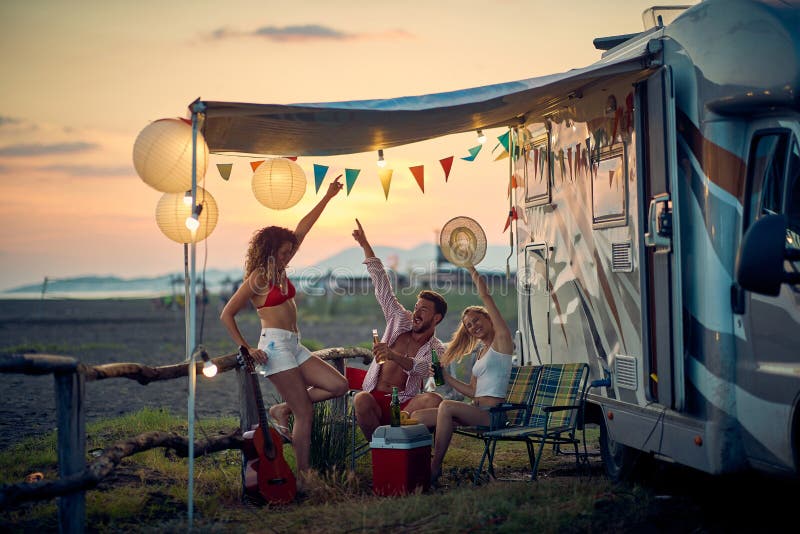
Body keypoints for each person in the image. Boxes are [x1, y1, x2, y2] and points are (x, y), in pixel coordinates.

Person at [219, 176, 349, 476]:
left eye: (291, 251)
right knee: (305, 413)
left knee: (339, 385)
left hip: (294, 344)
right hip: (274, 348)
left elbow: (303, 227)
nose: (289, 255)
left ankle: (282, 410)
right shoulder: (257, 279)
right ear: (270, 250)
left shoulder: (281, 269)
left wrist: (328, 197)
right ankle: (304, 476)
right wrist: (247, 348)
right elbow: (227, 314)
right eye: (284, 251)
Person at [411, 264, 514, 484]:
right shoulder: (480, 353)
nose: (473, 327)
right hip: (475, 411)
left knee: (446, 406)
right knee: (416, 418)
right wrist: (446, 377)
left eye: (477, 320)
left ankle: (434, 468)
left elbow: (487, 297)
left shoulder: (502, 342)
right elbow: (473, 390)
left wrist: (471, 269)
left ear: (488, 318)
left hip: (493, 415)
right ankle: (418, 464)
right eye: (468, 325)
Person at [351, 218, 446, 441]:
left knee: (434, 401)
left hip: (405, 405)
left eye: (423, 310)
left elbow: (423, 370)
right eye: (416, 307)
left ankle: (400, 442)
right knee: (360, 399)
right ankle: (381, 448)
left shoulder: (436, 348)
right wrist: (365, 244)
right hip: (375, 399)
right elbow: (382, 286)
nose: (416, 313)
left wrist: (393, 355)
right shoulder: (399, 319)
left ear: (437, 317)